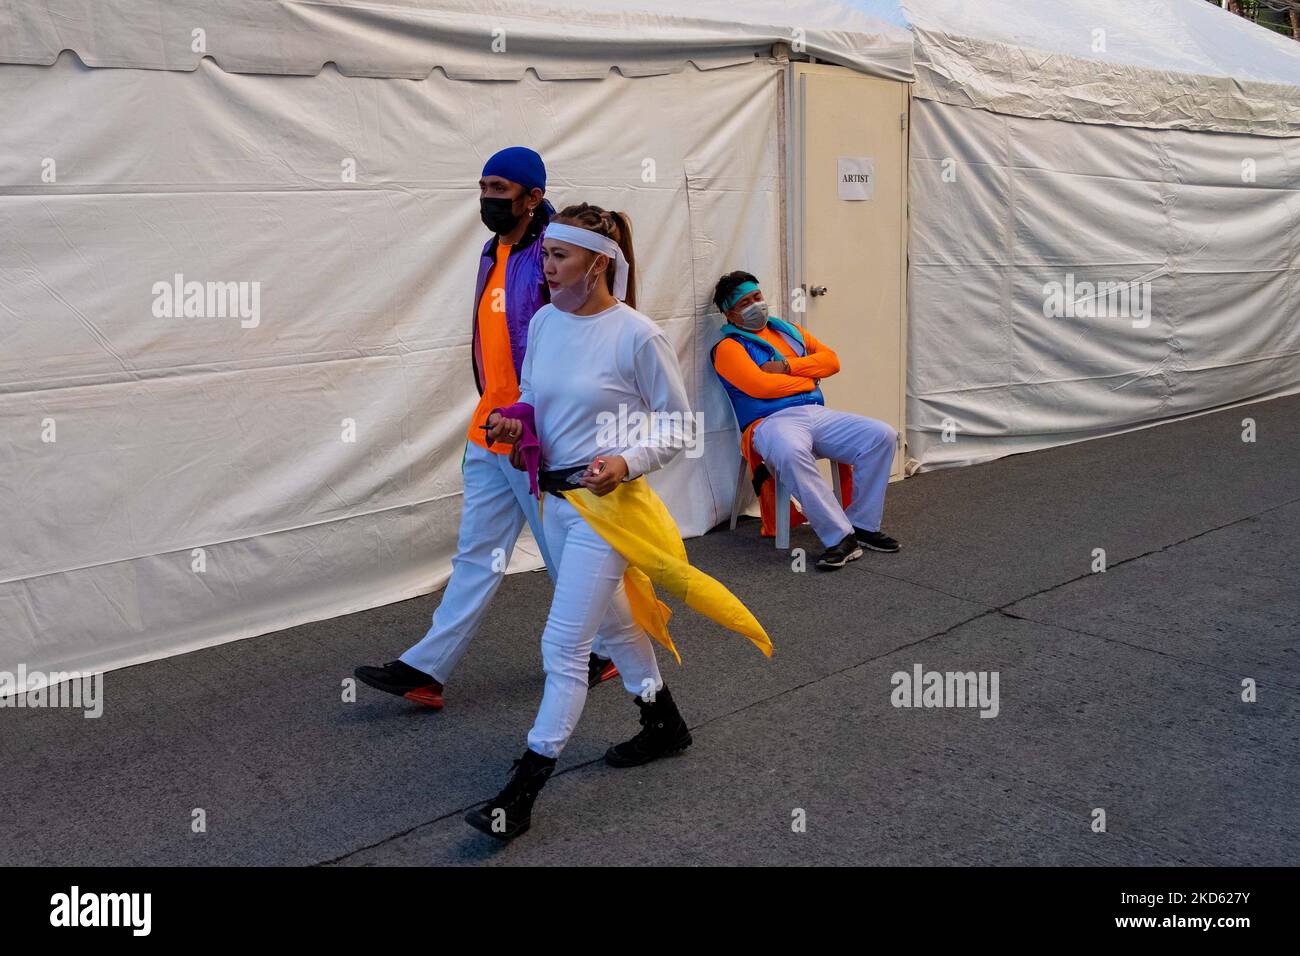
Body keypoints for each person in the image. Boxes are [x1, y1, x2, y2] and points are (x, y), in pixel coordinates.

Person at [465, 204, 771, 841]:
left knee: (563, 645)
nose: (545, 268)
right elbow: (535, 401)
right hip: (552, 499)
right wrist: (512, 420)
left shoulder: (637, 335)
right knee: (617, 621)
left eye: (559, 257)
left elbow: (677, 424)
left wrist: (625, 461)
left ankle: (521, 793)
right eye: (545, 254)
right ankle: (663, 723)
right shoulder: (546, 322)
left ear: (598, 263)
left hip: (607, 509)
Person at [353, 148, 618, 710]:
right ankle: (426, 670)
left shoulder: (556, 255)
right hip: (489, 429)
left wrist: (544, 418)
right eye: (483, 186)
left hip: (538, 435)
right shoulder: (491, 250)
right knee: (478, 555)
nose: (488, 198)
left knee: (563, 552)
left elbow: (580, 336)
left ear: (533, 197)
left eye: (500, 187)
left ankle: (610, 650)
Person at [711, 271, 901, 570]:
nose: (755, 306)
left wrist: (787, 367)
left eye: (757, 297)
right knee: (790, 451)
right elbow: (762, 387)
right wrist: (809, 379)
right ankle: (839, 536)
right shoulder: (728, 348)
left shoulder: (790, 331)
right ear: (730, 314)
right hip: (770, 421)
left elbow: (832, 361)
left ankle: (862, 525)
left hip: (815, 413)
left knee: (881, 435)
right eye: (744, 303)